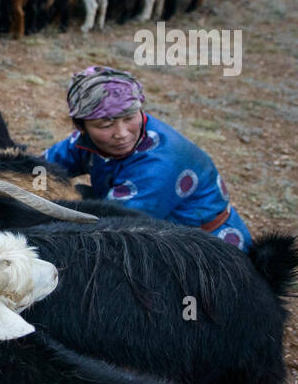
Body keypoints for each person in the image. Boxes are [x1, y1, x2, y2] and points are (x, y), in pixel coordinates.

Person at [43, 65, 252, 249]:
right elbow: (41, 168)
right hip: (145, 226)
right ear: (81, 127)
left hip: (203, 248)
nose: (122, 134)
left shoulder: (159, 165)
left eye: (129, 118)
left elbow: (110, 228)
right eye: (105, 125)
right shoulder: (84, 141)